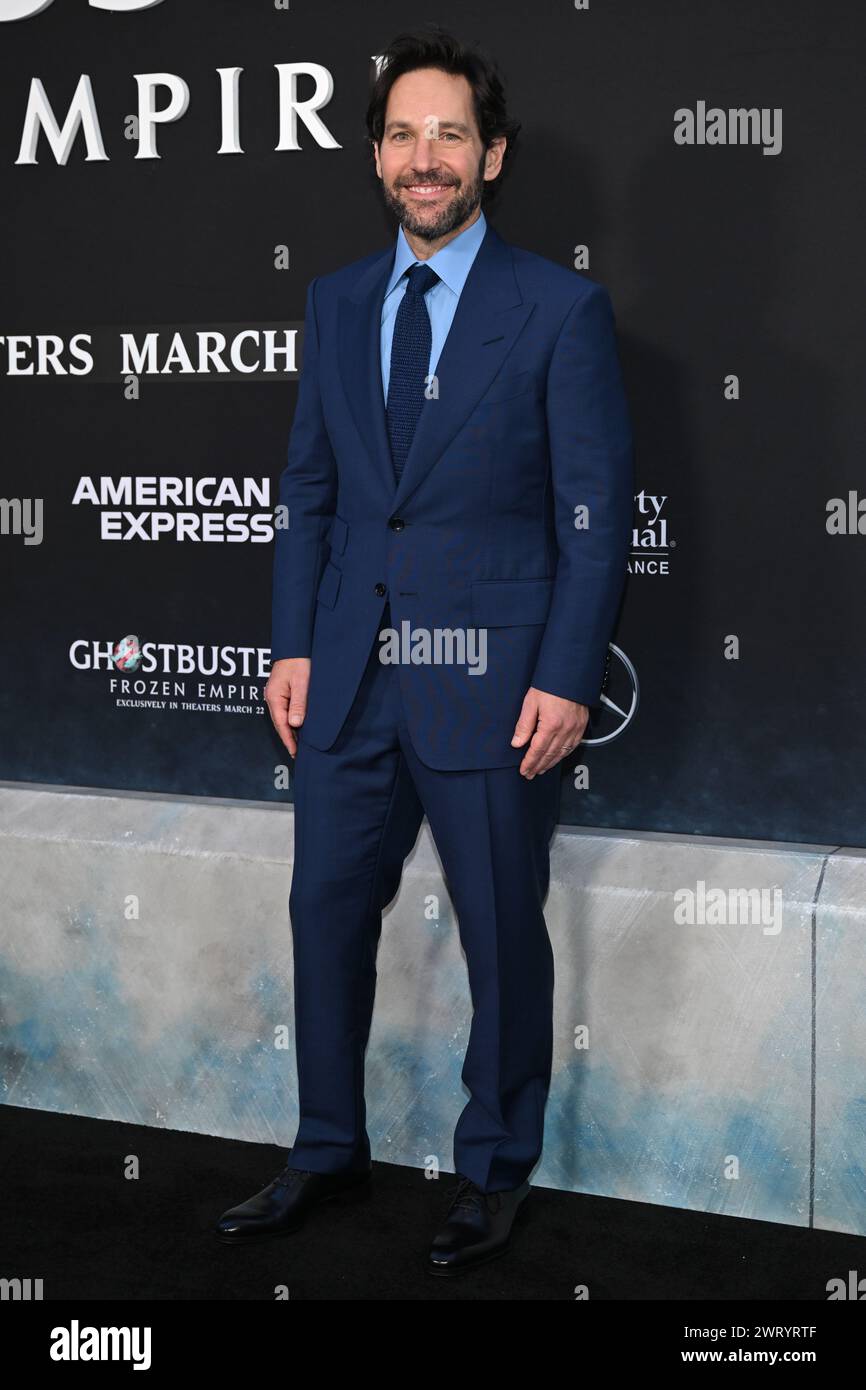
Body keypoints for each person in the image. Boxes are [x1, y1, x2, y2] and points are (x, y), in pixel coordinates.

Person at [216, 24, 633, 1277]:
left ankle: (493, 1167)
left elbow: (591, 509)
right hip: (343, 677)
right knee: (323, 912)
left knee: (501, 930)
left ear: (490, 155)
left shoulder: (559, 310)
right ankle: (324, 1144)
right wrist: (291, 644)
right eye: (402, 134)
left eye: (449, 133)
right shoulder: (335, 300)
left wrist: (563, 670)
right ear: (379, 157)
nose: (424, 156)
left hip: (498, 683)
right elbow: (311, 490)